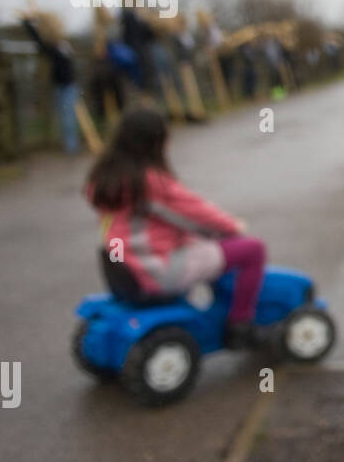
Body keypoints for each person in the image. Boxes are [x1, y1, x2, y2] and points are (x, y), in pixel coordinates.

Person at [85, 108, 265, 347]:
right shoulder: (149, 182)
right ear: (155, 142)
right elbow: (196, 212)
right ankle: (241, 324)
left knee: (203, 246)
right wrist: (232, 226)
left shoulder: (105, 178)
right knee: (252, 250)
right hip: (157, 269)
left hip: (125, 265)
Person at [20, 10, 80, 155]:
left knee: (69, 117)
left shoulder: (64, 46)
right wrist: (28, 23)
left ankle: (72, 147)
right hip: (62, 86)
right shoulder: (52, 48)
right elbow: (38, 40)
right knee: (66, 117)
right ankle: (70, 147)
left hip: (70, 86)